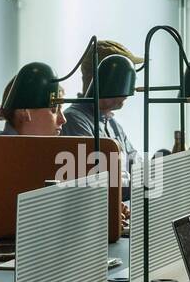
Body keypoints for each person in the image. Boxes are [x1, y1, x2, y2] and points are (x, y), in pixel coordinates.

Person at [60, 39, 141, 191]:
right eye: (124, 77)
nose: (131, 87)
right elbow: (102, 183)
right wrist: (150, 181)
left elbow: (137, 166)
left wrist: (172, 178)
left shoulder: (112, 123)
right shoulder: (73, 120)